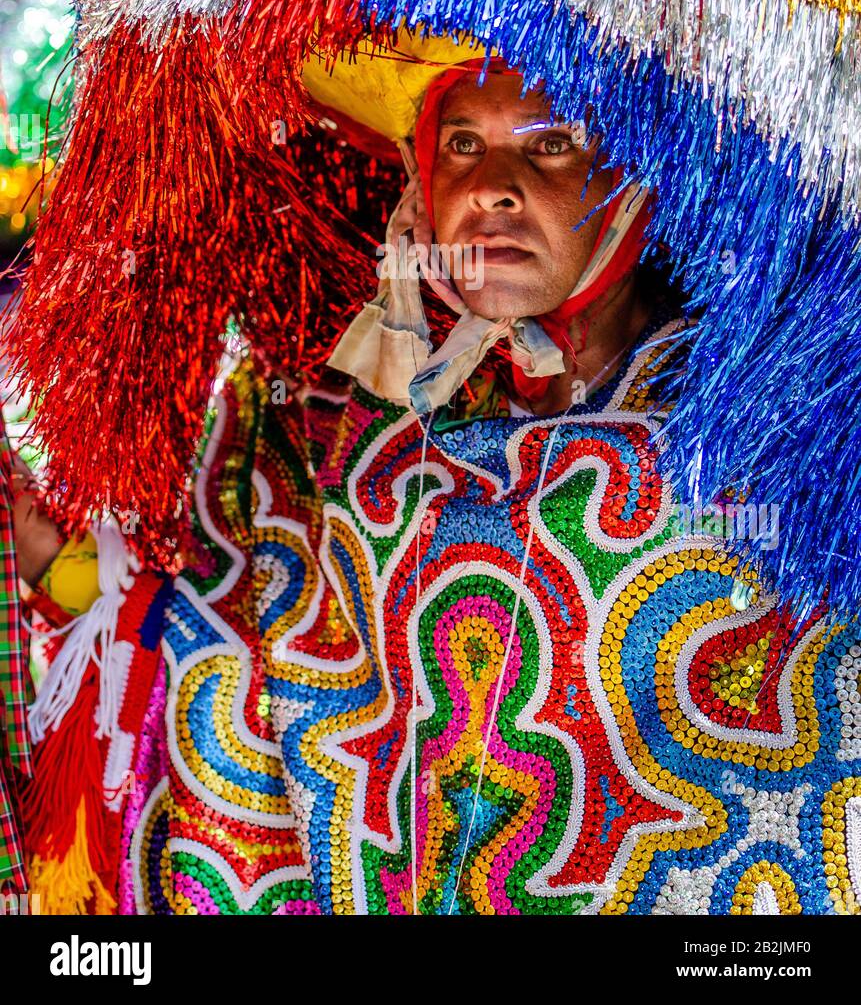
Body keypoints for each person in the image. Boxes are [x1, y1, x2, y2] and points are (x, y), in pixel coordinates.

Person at [12, 57, 861, 917]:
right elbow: (228, 664)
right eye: (461, 145)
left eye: (554, 145)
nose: (493, 188)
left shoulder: (776, 448)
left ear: (644, 186)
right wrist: (68, 571)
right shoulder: (340, 427)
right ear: (420, 195)